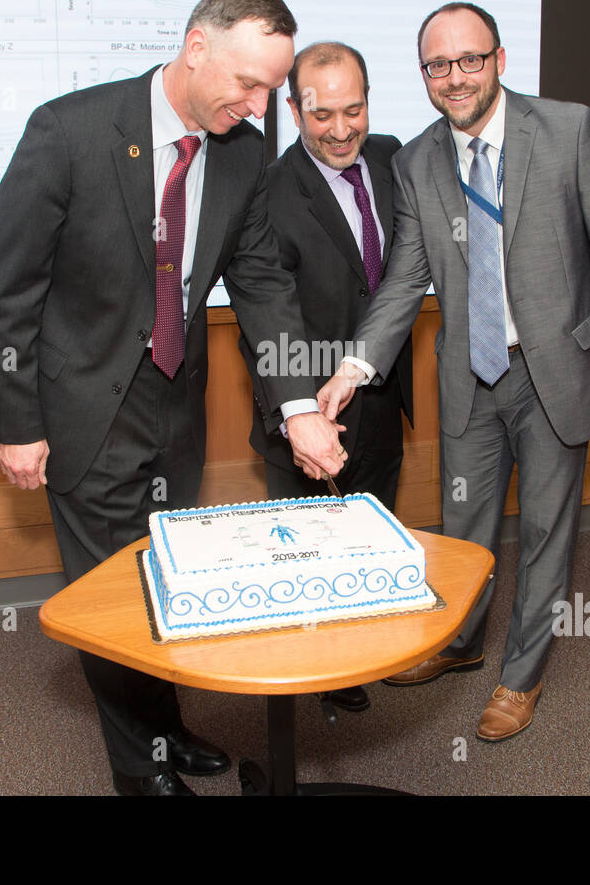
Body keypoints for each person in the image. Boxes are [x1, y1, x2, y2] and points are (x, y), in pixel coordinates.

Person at [0, 0, 345, 795]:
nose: (257, 106)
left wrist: (295, 406)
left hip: (176, 404)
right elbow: (8, 287)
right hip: (84, 407)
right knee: (114, 595)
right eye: (247, 84)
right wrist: (16, 421)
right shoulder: (69, 131)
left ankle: (167, 731)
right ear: (197, 46)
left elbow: (258, 282)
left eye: (270, 92)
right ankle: (137, 771)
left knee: (166, 579)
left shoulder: (243, 152)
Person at [319, 2, 590, 742]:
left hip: (558, 374)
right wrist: (353, 367)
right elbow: (406, 281)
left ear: (500, 60)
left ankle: (521, 676)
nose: (455, 78)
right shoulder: (416, 161)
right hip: (470, 378)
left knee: (544, 530)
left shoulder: (568, 130)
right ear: (424, 75)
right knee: (463, 526)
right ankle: (461, 642)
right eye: (438, 65)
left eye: (470, 60)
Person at [239, 41, 414, 715]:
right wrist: (301, 412)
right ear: (292, 108)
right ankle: (308, 676)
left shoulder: (393, 157)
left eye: (354, 110)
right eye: (321, 116)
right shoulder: (269, 193)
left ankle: (353, 662)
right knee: (307, 555)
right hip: (309, 410)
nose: (340, 130)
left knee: (373, 536)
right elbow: (266, 312)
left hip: (382, 394)